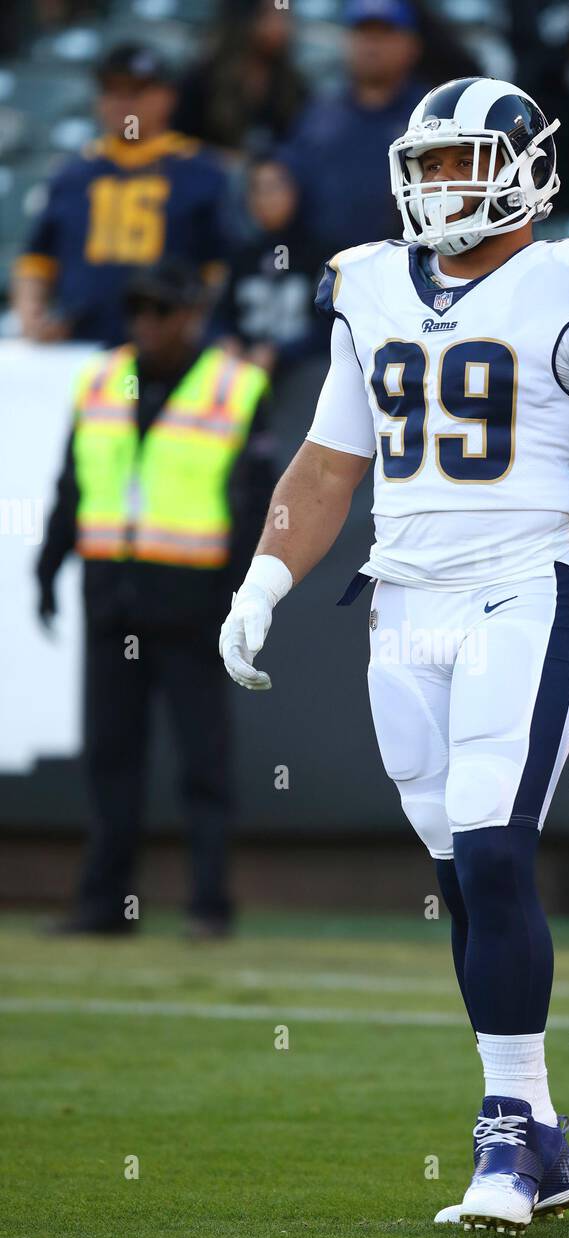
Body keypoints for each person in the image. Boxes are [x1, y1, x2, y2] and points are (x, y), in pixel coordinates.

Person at [219, 77, 569, 1232]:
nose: (442, 186)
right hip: (403, 601)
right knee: (458, 873)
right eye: (428, 165)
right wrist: (264, 580)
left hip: (522, 587)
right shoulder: (366, 283)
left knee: (493, 850)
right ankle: (539, 1133)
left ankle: (503, 1136)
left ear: (528, 166)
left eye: (461, 163)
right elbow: (330, 464)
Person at [37, 259, 275, 941]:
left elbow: (255, 499)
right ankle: (105, 906)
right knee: (112, 758)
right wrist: (49, 567)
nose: (146, 323)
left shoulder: (234, 385)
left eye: (160, 311)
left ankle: (209, 906)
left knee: (203, 762)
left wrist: (240, 592)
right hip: (112, 596)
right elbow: (72, 482)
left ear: (192, 314)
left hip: (192, 602)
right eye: (138, 310)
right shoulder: (101, 378)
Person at [13, 43, 232, 346]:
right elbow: (37, 260)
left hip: (167, 355)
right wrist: (31, 314)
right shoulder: (73, 173)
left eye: (134, 91)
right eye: (110, 90)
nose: (120, 102)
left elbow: (220, 268)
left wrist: (199, 325)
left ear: (166, 97)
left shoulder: (200, 171)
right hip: (77, 347)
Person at [277, 0, 430, 265]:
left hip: (404, 267)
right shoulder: (319, 110)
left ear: (412, 45)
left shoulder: (430, 112)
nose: (371, 45)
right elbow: (289, 184)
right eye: (363, 33)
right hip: (321, 269)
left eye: (384, 34)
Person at [213, 158, 325, 385]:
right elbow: (219, 318)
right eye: (257, 189)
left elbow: (329, 329)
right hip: (244, 377)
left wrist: (280, 353)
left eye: (274, 187)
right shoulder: (242, 256)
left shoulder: (323, 255)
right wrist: (226, 341)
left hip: (305, 379)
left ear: (296, 190)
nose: (265, 199)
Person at [173, 0, 307, 155]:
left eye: (286, 16)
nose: (283, 26)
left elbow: (297, 150)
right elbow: (179, 142)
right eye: (272, 15)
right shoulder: (202, 79)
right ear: (246, 19)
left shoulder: (294, 87)